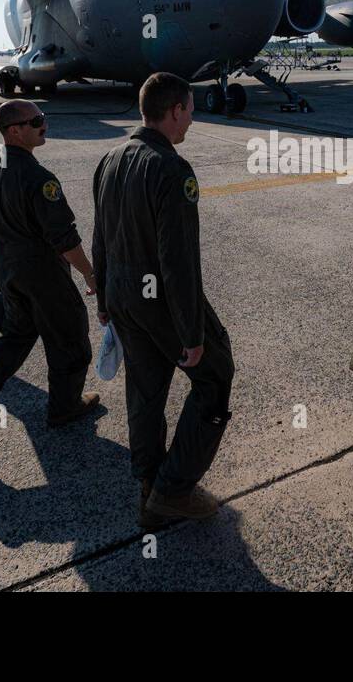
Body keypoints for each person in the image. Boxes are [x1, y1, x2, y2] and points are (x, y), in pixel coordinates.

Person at [91, 72, 234, 527]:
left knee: (146, 390)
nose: (191, 118)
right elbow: (178, 261)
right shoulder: (172, 169)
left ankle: (149, 485)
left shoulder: (110, 159)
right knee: (214, 377)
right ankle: (174, 489)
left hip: (122, 295)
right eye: (189, 109)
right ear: (175, 111)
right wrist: (192, 333)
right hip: (161, 301)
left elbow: (101, 237)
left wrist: (103, 298)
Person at [0, 100, 100, 446]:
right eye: (36, 121)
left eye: (42, 118)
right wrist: (90, 275)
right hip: (41, 272)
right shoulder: (38, 178)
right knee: (70, 337)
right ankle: (65, 406)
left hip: (7, 267)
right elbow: (63, 238)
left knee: (14, 339)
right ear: (15, 131)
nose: (43, 125)